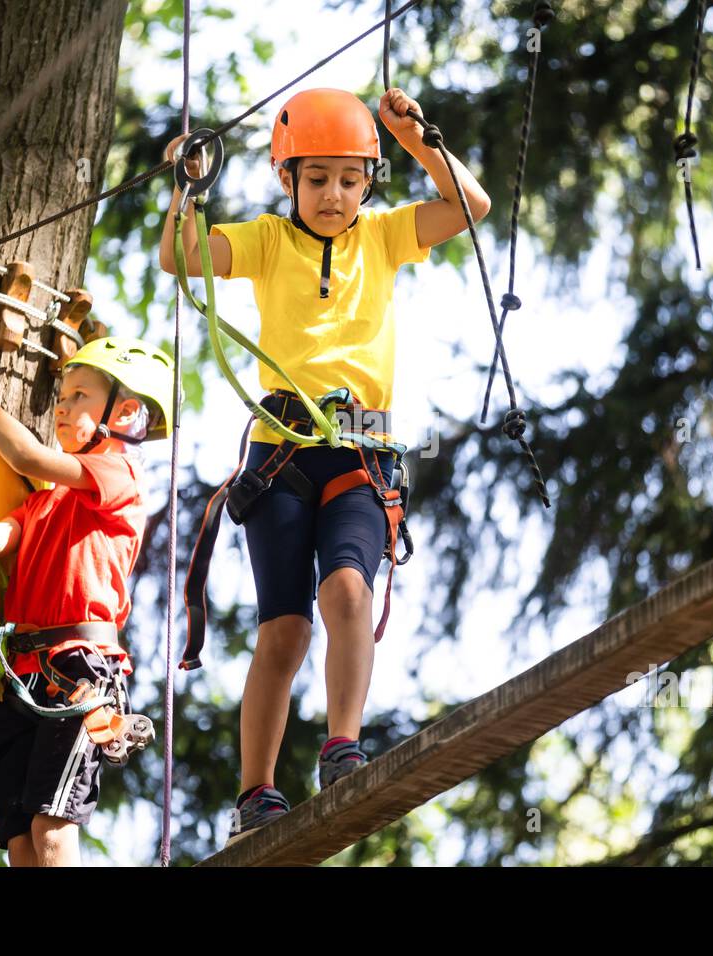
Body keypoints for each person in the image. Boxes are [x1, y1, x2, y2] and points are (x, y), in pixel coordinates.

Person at [159, 86, 491, 843]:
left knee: (347, 589)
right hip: (282, 452)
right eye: (317, 180)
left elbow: (470, 205)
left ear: (367, 182)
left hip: (361, 453)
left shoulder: (384, 237)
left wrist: (415, 139)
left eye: (349, 178)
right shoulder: (270, 242)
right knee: (284, 631)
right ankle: (256, 795)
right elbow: (179, 255)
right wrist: (187, 189)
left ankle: (342, 745)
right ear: (288, 181)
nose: (334, 195)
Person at [0, 336, 172, 865]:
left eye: (79, 395)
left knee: (52, 828)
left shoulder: (117, 474)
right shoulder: (42, 503)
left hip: (80, 669)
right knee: (20, 844)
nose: (62, 404)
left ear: (123, 413)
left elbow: (25, 454)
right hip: (23, 678)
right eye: (61, 394)